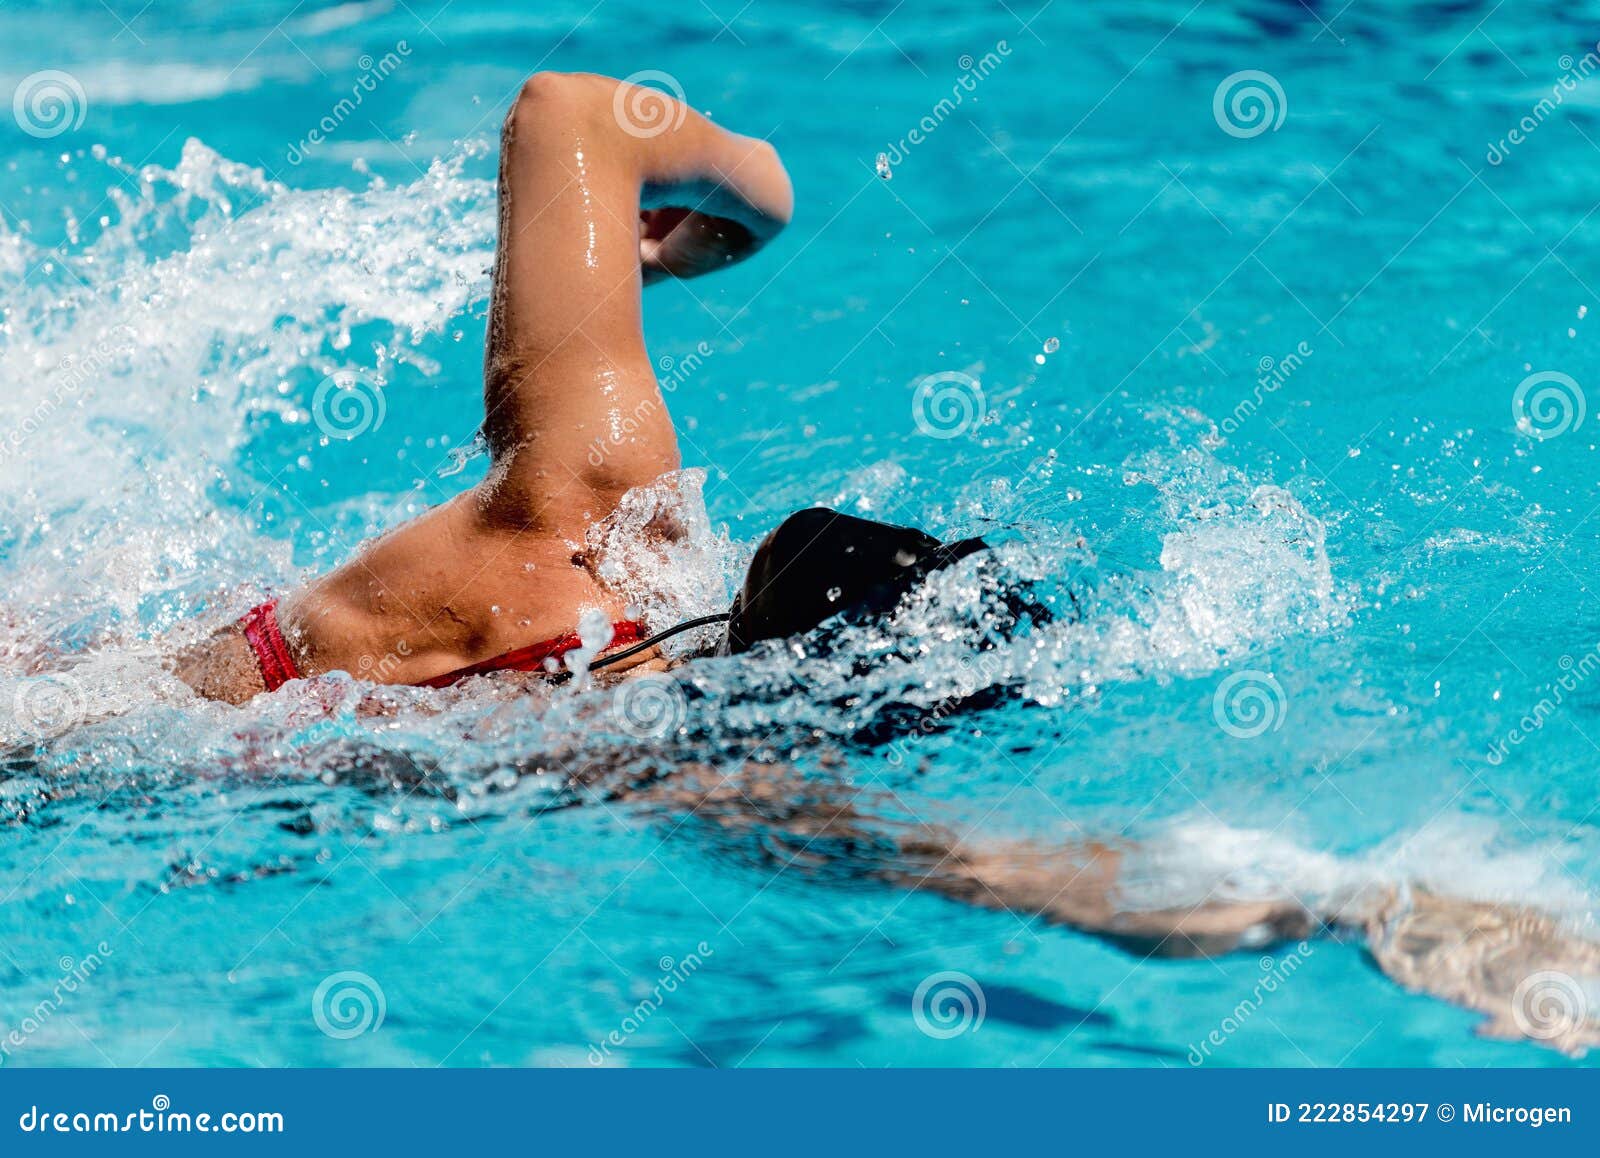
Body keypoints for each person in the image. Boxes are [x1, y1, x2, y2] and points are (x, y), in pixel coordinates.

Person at [160, 71, 1594, 1055]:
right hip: (187, 819)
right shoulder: (670, 768)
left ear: (774, 550)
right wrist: (1365, 903)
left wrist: (738, 215)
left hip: (96, 724)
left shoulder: (592, 495)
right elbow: (1039, 875)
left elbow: (567, 108)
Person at [174, 71, 794, 703]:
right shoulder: (648, 724)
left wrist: (735, 228)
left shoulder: (603, 502)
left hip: (150, 711)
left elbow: (572, 112)